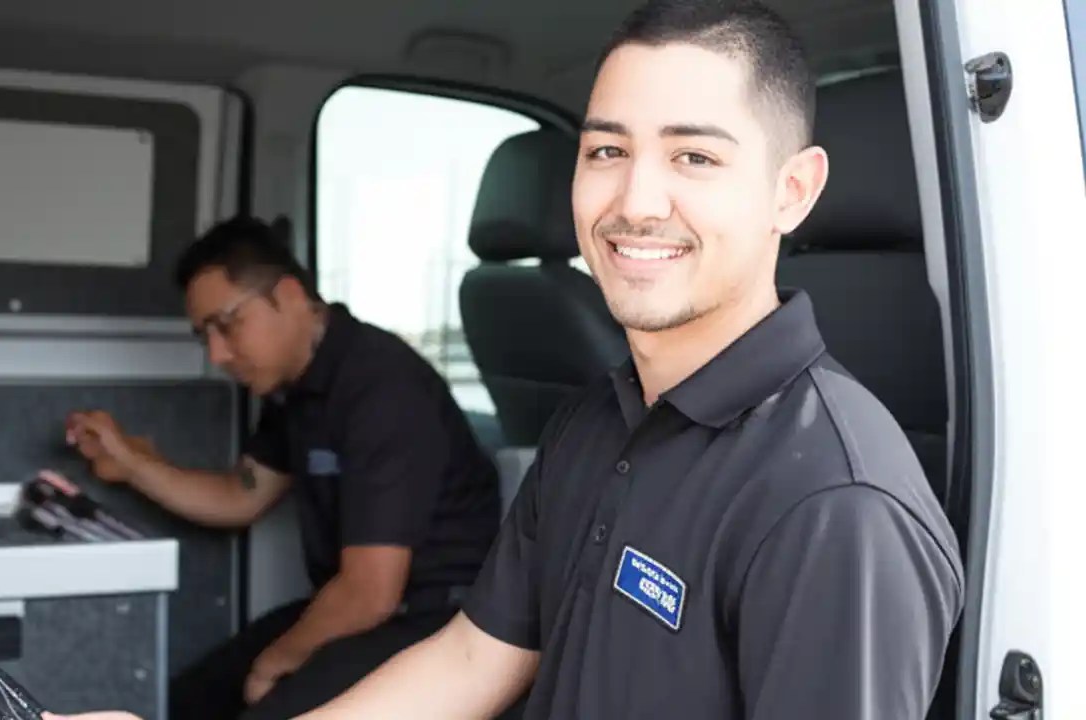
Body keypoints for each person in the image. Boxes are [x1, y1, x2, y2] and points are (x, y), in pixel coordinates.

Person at [290, 1, 965, 718]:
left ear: (791, 192)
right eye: (607, 151)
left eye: (694, 158)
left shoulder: (837, 505)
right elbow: (471, 659)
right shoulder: (594, 421)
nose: (637, 202)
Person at [63, 215, 502, 720]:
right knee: (188, 701)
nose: (218, 354)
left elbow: (370, 593)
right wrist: (133, 464)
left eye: (227, 326)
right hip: (363, 610)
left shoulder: (381, 389)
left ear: (289, 295)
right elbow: (241, 495)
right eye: (204, 335)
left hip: (434, 622)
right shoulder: (296, 388)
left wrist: (274, 664)